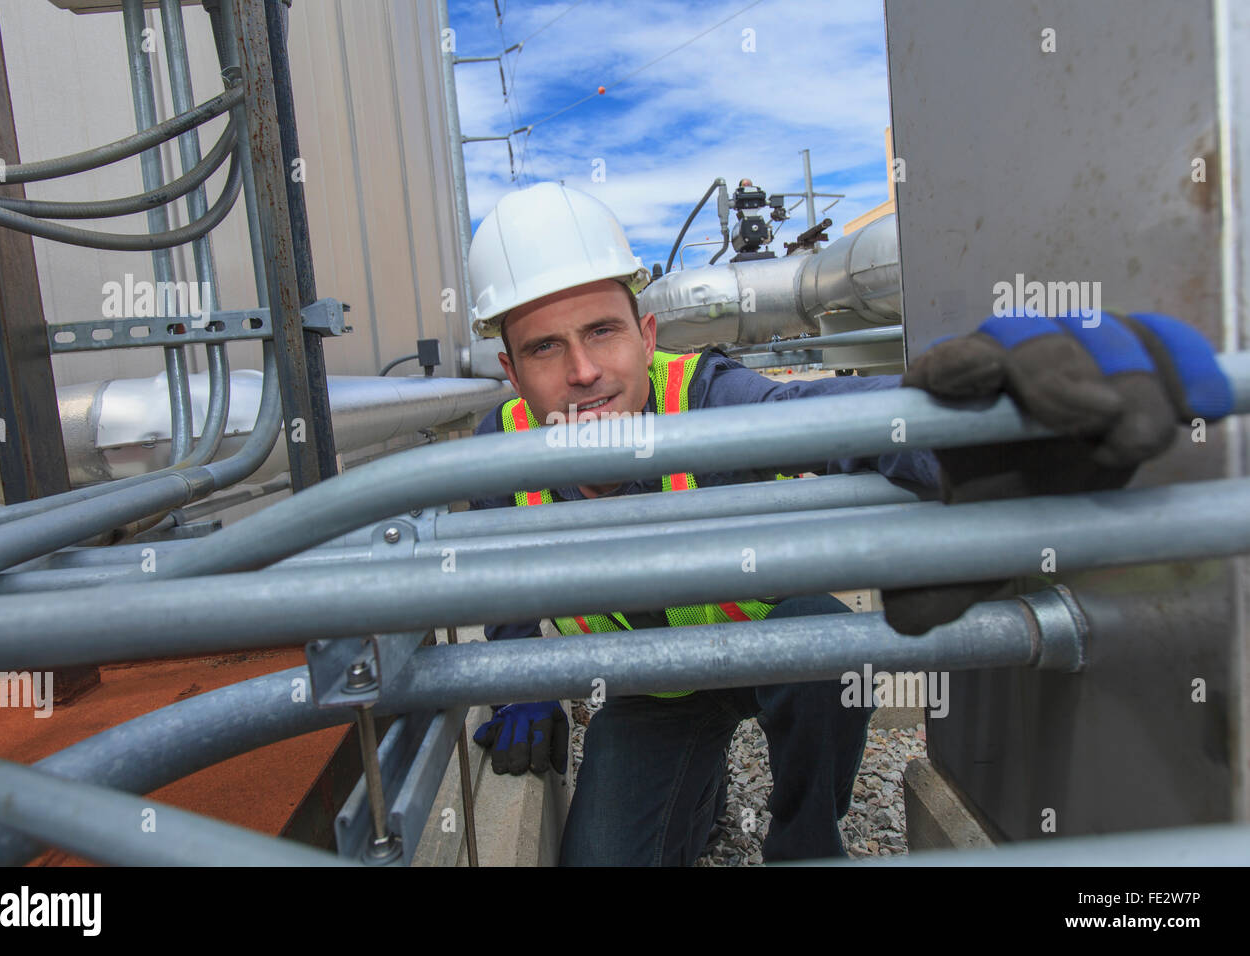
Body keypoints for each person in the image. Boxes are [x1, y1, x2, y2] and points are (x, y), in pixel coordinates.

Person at [463, 182, 1235, 866]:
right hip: (651, 693)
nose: (584, 370)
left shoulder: (707, 399)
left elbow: (835, 424)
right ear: (511, 372)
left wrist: (981, 437)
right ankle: (700, 798)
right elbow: (504, 594)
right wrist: (518, 691)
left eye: (602, 330)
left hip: (772, 648)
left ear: (648, 334)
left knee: (825, 649)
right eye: (544, 347)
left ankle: (804, 843)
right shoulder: (500, 453)